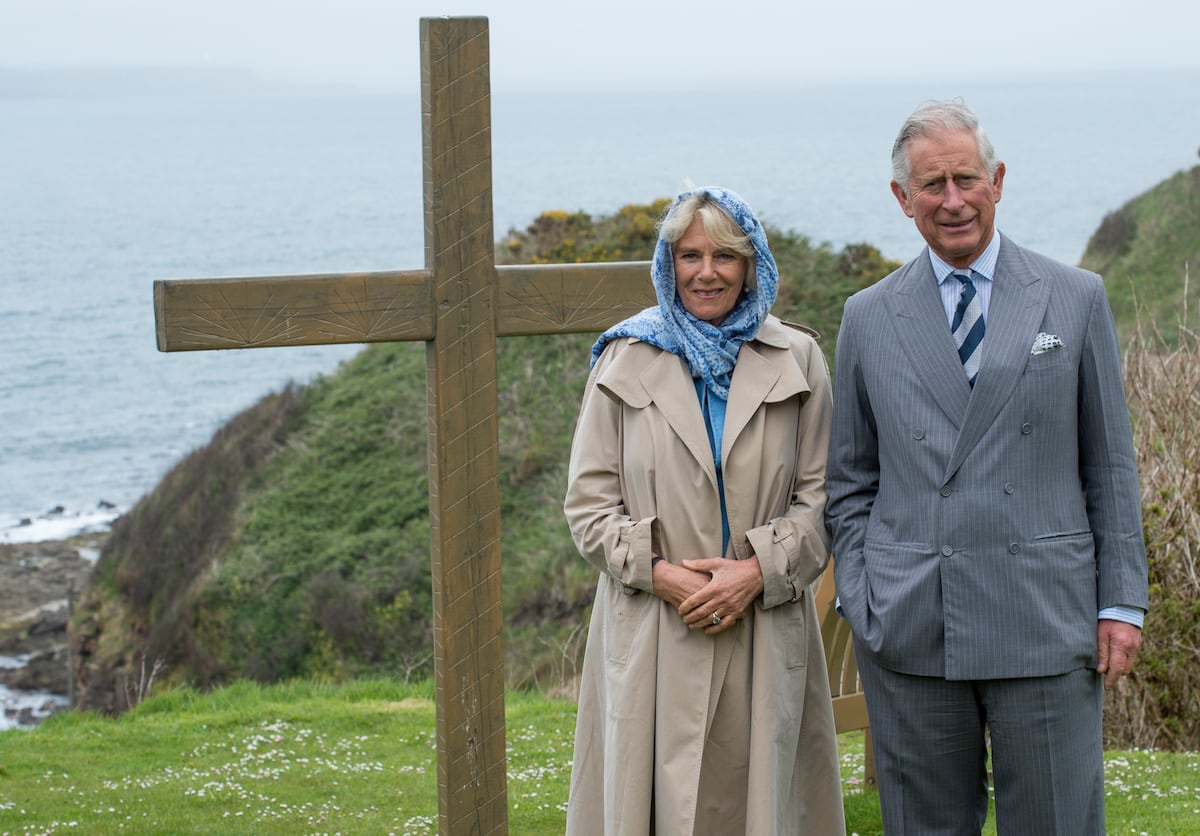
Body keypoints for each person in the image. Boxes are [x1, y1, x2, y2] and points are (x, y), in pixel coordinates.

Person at [825, 99, 1149, 835]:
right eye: (932, 185)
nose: (953, 201)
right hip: (910, 620)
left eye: (966, 178)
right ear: (902, 199)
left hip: (1046, 614)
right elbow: (850, 479)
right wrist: (861, 591)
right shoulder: (869, 315)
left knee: (1057, 821)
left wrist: (1121, 602)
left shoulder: (1074, 297)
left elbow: (1110, 465)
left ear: (997, 180)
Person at [563, 186, 845, 834]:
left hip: (764, 628)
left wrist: (754, 574)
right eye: (690, 255)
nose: (706, 271)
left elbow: (823, 497)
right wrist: (664, 574)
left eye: (725, 255)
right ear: (669, 263)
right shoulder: (621, 358)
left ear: (750, 264)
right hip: (653, 632)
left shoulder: (798, 358)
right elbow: (587, 505)